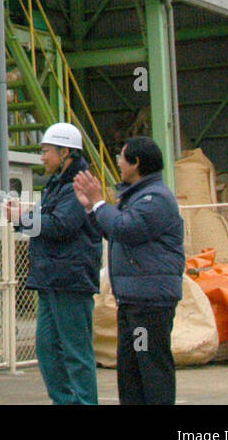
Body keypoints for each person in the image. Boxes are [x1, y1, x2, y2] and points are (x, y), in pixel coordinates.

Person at [74, 136, 185, 405]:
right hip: (134, 301)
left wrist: (100, 203)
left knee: (150, 369)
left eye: (122, 158)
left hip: (149, 304)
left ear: (136, 163)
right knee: (132, 370)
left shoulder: (154, 198)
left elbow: (126, 228)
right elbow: (114, 230)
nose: (118, 164)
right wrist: (91, 208)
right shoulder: (136, 196)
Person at [6, 122, 101, 405]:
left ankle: (84, 402)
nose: (43, 157)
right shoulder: (58, 182)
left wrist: (23, 219)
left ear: (65, 152)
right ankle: (64, 401)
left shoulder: (77, 183)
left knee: (75, 351)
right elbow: (54, 219)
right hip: (52, 278)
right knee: (48, 349)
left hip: (69, 279)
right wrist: (25, 214)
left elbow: (63, 225)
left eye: (47, 151)